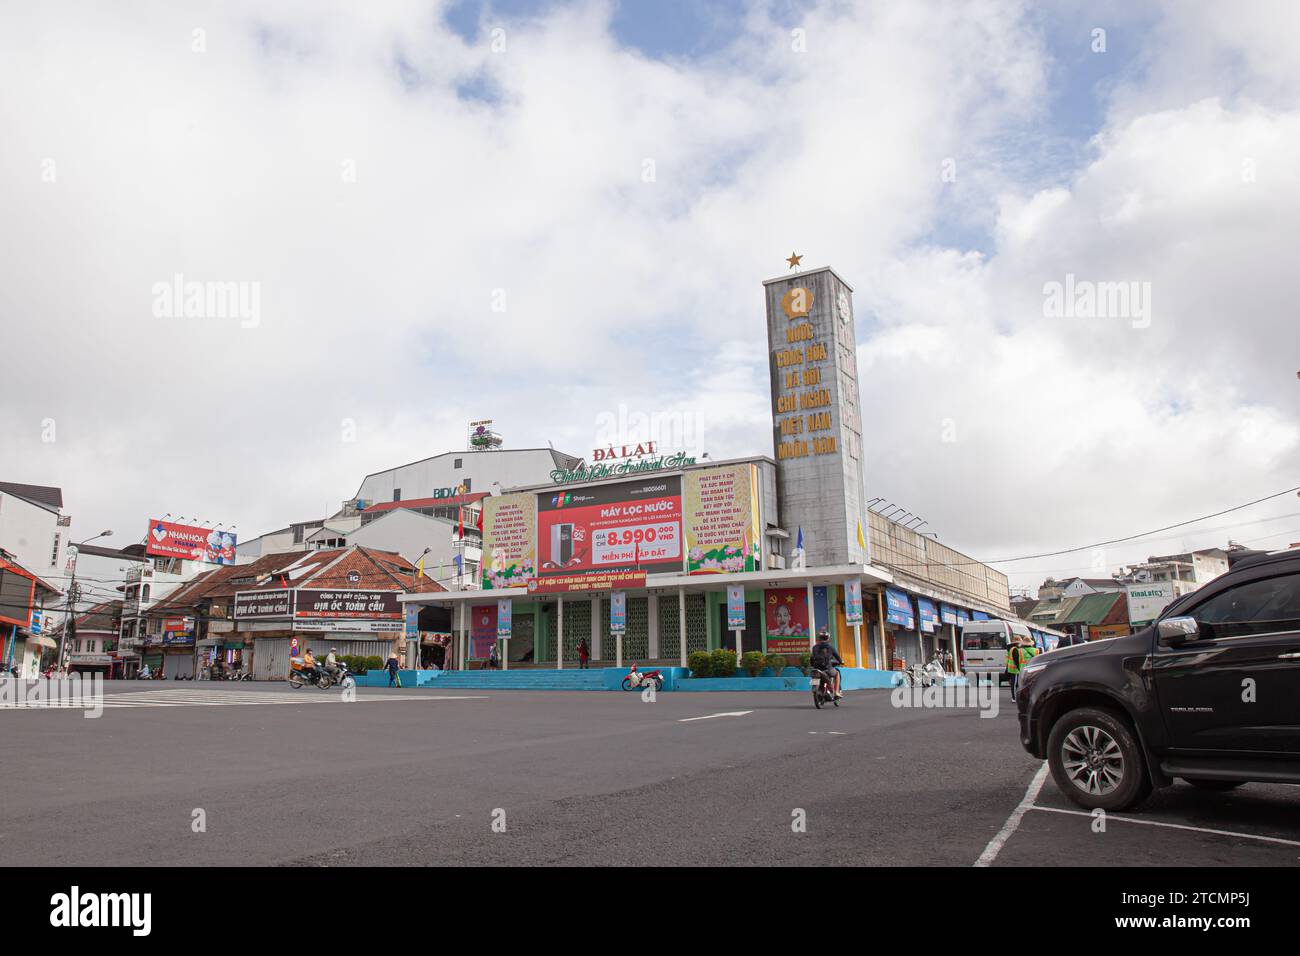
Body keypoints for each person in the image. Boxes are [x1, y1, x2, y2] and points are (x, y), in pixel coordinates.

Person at [810, 630, 843, 699]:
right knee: (837, 674)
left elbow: (812, 658)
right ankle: (836, 692)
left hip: (816, 668)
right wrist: (841, 661)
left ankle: (818, 689)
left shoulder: (814, 647)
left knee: (814, 676)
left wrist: (813, 665)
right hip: (826, 668)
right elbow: (837, 657)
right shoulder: (830, 647)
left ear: (819, 638)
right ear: (828, 638)